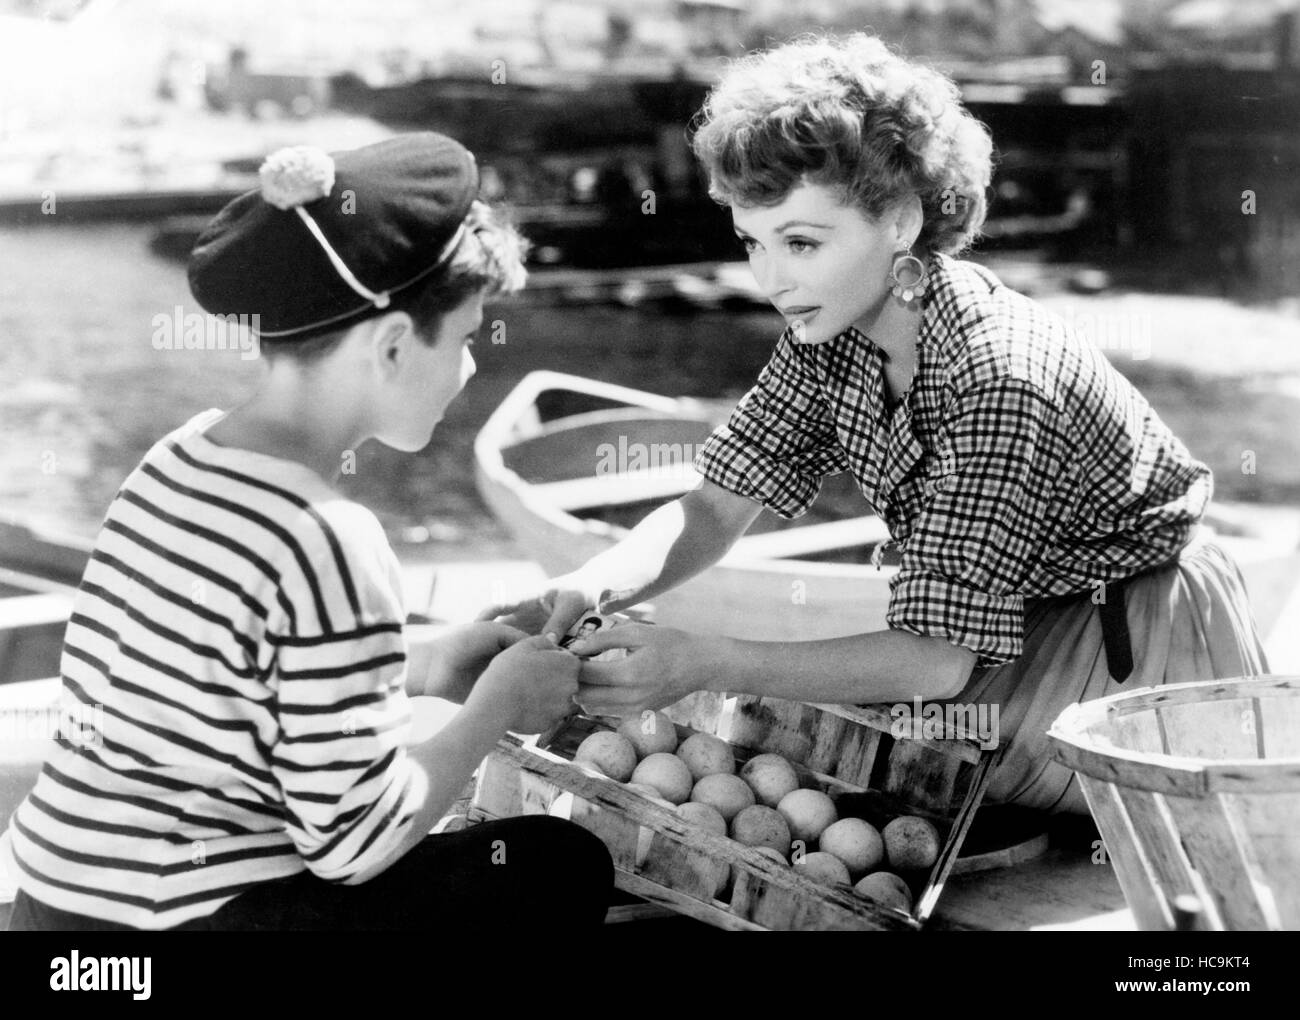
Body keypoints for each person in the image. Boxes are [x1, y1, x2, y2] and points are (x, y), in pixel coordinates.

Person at [479, 35, 1271, 816]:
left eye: (800, 242)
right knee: (842, 772)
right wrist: (589, 582)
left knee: (882, 782)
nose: (772, 279)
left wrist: (705, 661)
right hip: (1018, 621)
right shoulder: (832, 329)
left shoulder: (995, 376)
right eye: (752, 243)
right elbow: (716, 506)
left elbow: (933, 662)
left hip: (1137, 647)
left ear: (898, 220)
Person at [3, 133, 613, 931]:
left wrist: (427, 663)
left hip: (55, 922)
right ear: (393, 345)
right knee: (555, 865)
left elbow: (210, 693)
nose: (469, 370)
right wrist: (493, 708)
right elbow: (356, 843)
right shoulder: (328, 536)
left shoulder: (176, 458)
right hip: (178, 932)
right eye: (465, 339)